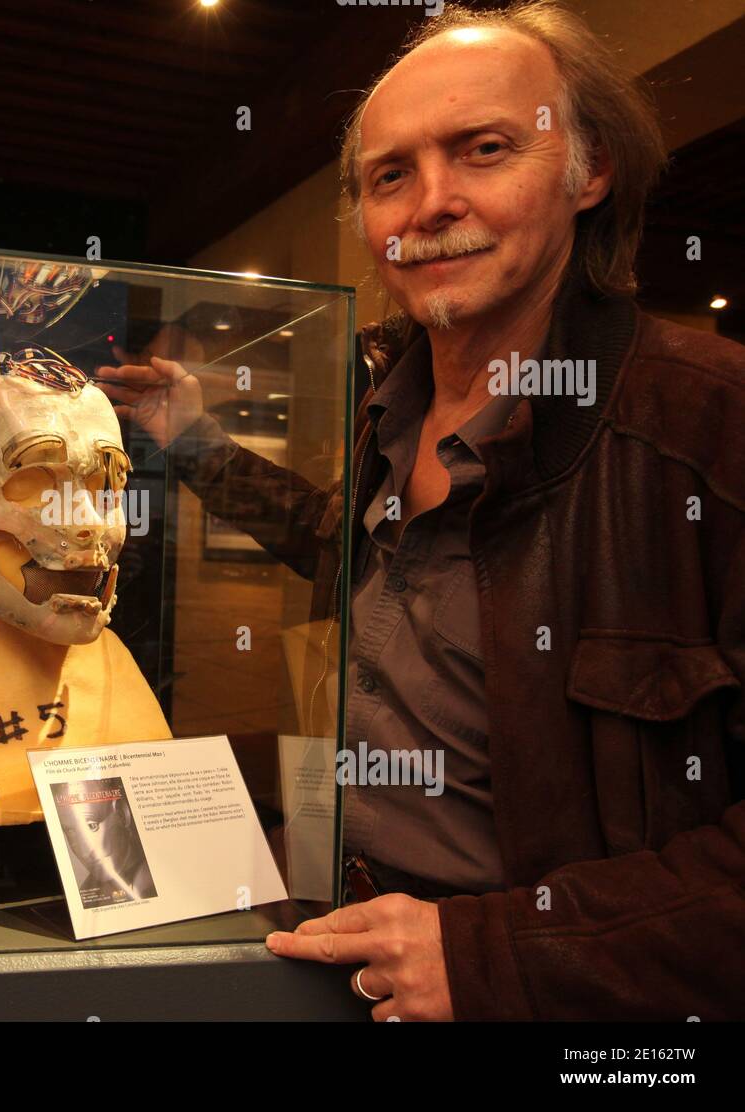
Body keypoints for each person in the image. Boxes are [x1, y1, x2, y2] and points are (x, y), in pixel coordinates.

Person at [96, 0, 744, 1021]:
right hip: (338, 952)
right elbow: (348, 548)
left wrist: (502, 951)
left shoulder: (709, 425)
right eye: (389, 174)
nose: (429, 203)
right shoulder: (386, 408)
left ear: (589, 170)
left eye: (484, 149)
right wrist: (192, 439)